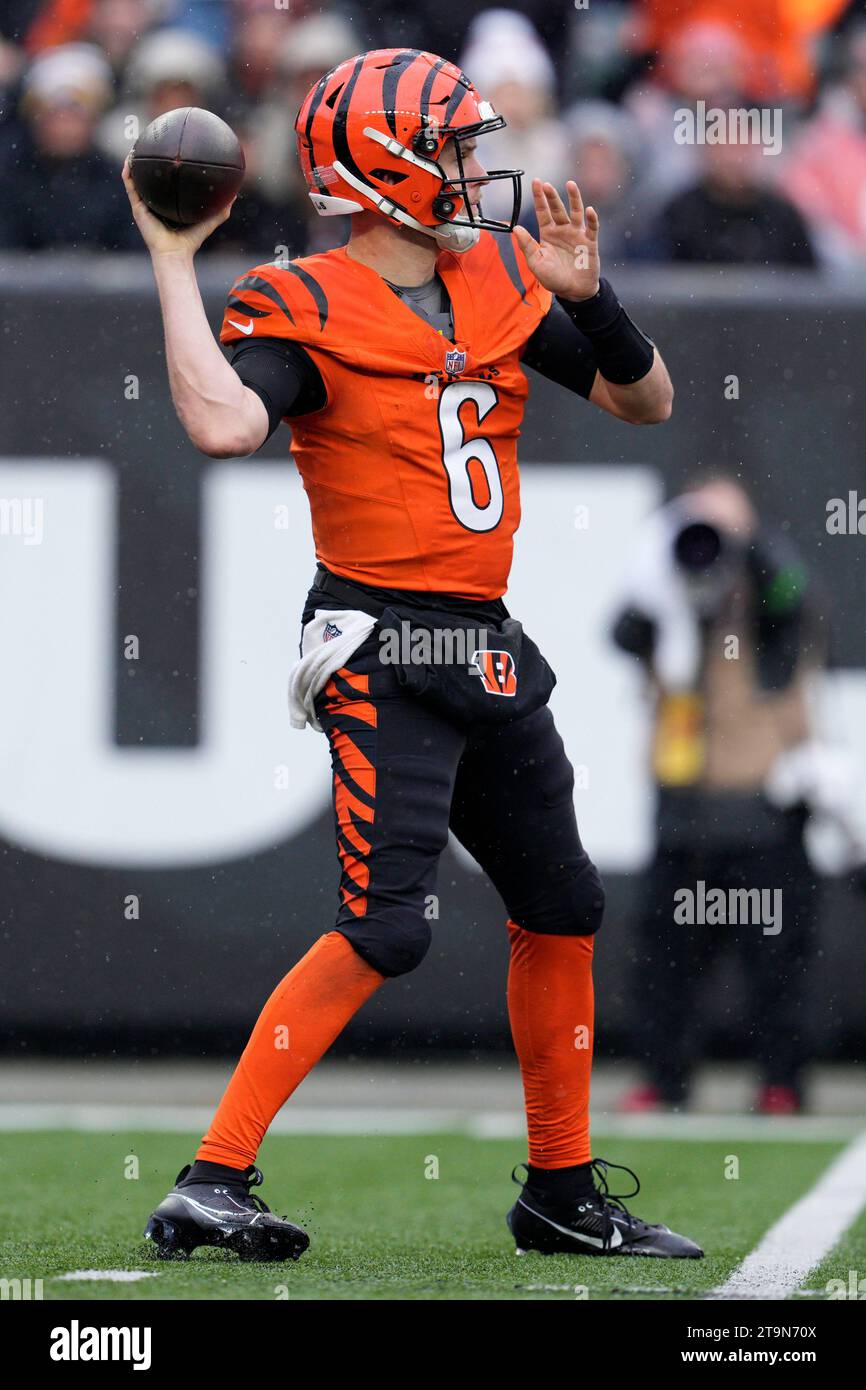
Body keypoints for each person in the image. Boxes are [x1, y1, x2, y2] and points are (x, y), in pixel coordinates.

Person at [123, 47, 702, 1262]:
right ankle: (212, 1174)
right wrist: (174, 258)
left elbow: (643, 400)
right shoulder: (302, 300)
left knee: (561, 902)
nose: (473, 169)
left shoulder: (494, 273)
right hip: (379, 638)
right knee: (388, 926)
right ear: (384, 166)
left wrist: (589, 297)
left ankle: (560, 1189)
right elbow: (224, 422)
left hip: (484, 634)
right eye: (449, 148)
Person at [610, 479, 826, 1114]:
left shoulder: (772, 598)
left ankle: (781, 1083)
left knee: (778, 963)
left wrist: (740, 541)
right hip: (682, 812)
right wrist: (667, 556)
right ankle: (664, 1080)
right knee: (663, 962)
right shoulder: (666, 598)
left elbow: (790, 595)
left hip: (764, 811)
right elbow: (621, 630)